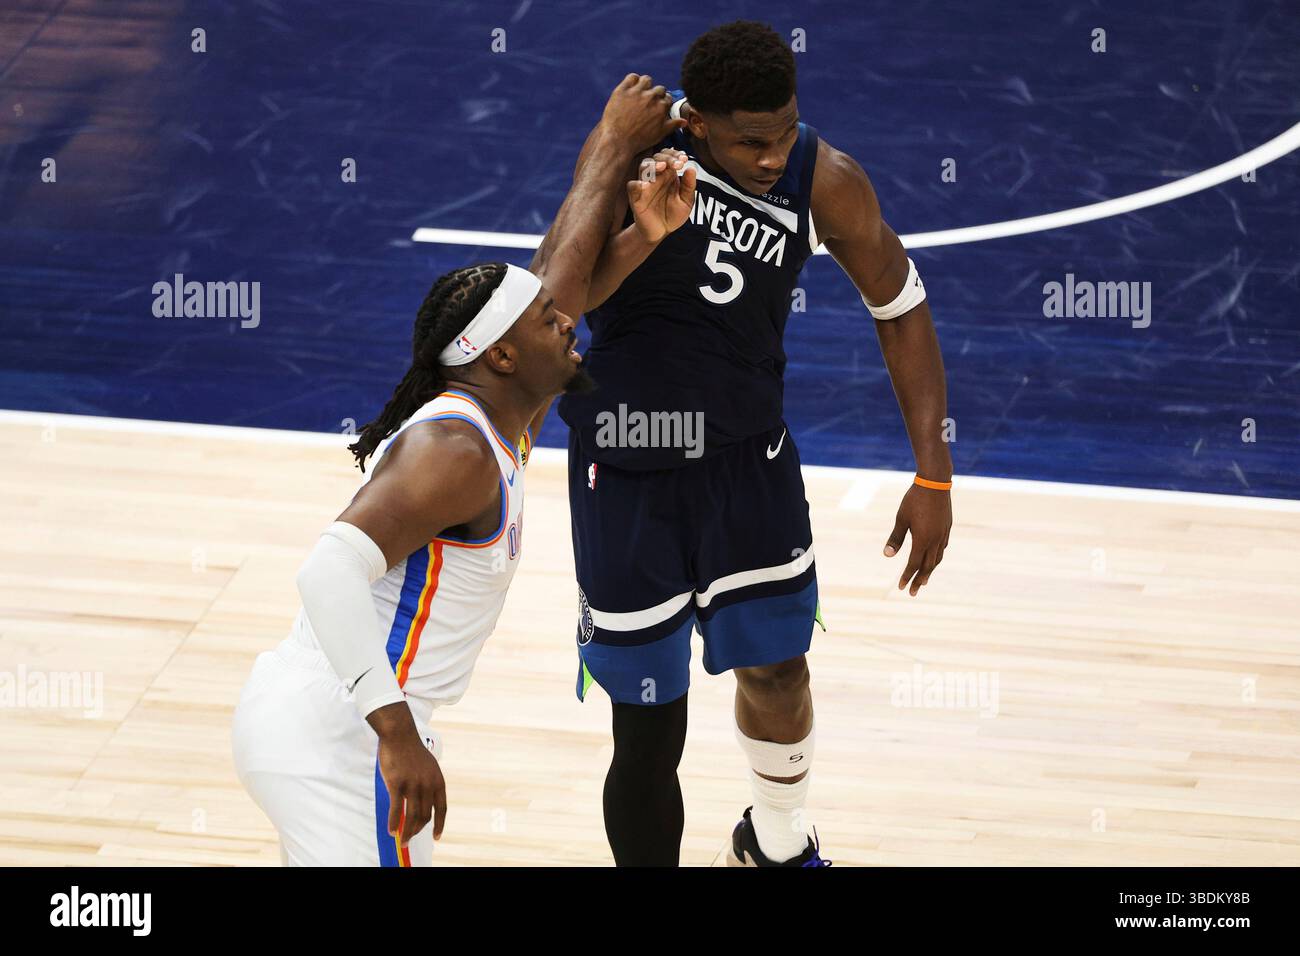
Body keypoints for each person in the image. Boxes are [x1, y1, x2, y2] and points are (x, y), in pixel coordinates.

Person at [231, 75, 695, 866]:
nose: (569, 321)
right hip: (350, 731)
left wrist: (642, 229)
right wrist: (397, 732)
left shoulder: (502, 415)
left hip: (336, 713)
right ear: (501, 355)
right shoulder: (456, 451)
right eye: (550, 323)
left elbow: (564, 269)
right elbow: (326, 573)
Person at [558, 22, 954, 866]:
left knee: (780, 672)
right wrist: (624, 192)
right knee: (649, 724)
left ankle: (776, 843)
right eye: (751, 141)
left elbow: (903, 305)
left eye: (784, 132)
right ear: (696, 122)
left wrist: (934, 474)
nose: (773, 156)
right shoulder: (639, 155)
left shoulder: (824, 179)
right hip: (625, 467)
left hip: (747, 463)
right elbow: (558, 302)